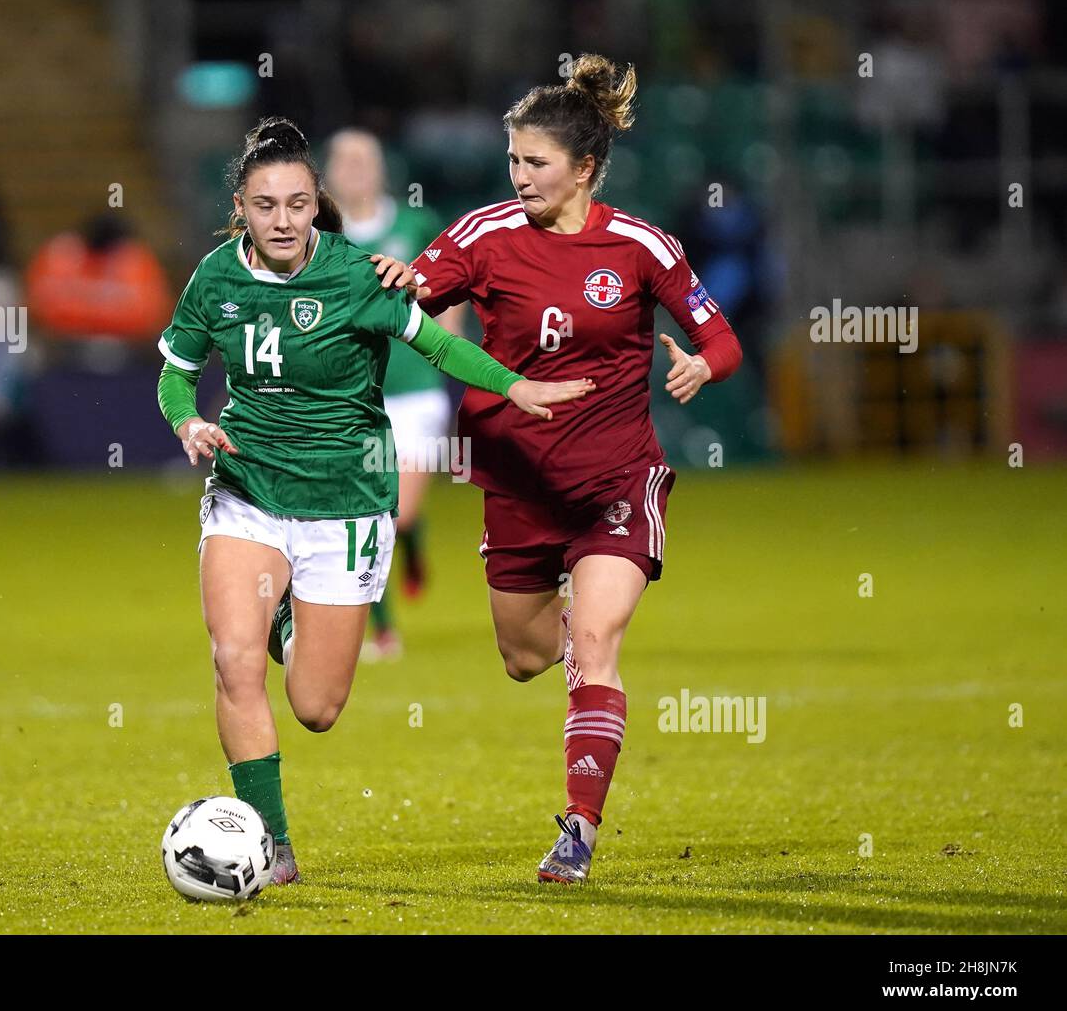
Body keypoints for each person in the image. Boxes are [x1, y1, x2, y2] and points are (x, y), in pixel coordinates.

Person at [156, 117, 594, 885]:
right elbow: (175, 370)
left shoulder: (360, 276)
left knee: (317, 706)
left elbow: (439, 344)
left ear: (315, 203)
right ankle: (274, 845)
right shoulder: (215, 277)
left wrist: (512, 384)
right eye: (265, 205)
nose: (282, 220)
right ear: (242, 207)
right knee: (232, 661)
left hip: (346, 504)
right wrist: (188, 419)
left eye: (297, 203)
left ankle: (287, 616)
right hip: (247, 492)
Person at [390, 54, 744, 883]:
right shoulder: (482, 235)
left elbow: (721, 337)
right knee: (522, 655)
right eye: (513, 160)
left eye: (535, 162)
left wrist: (702, 365)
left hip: (616, 480)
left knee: (592, 639)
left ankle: (578, 829)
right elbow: (418, 295)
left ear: (584, 167)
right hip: (515, 481)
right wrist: (398, 284)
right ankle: (590, 668)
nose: (519, 176)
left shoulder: (640, 245)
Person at [325, 128, 466, 659]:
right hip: (355, 396)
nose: (356, 169)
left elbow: (449, 287)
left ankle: (413, 541)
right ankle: (383, 631)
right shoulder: (324, 235)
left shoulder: (415, 223)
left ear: (381, 168)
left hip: (414, 393)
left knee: (397, 515)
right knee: (368, 513)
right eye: (346, 160)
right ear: (331, 171)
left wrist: (447, 344)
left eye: (365, 159)